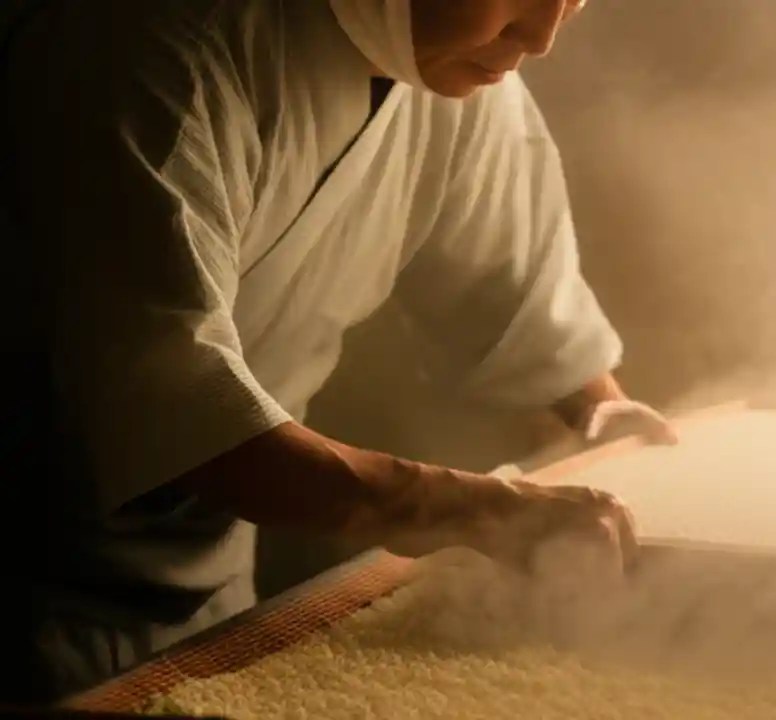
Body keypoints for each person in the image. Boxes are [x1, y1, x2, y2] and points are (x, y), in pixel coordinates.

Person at [0, 0, 677, 705]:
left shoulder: (449, 72)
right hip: (32, 589)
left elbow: (524, 308)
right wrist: (470, 509)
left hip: (213, 593)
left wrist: (616, 428)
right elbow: (172, 402)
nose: (540, 36)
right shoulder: (147, 48)